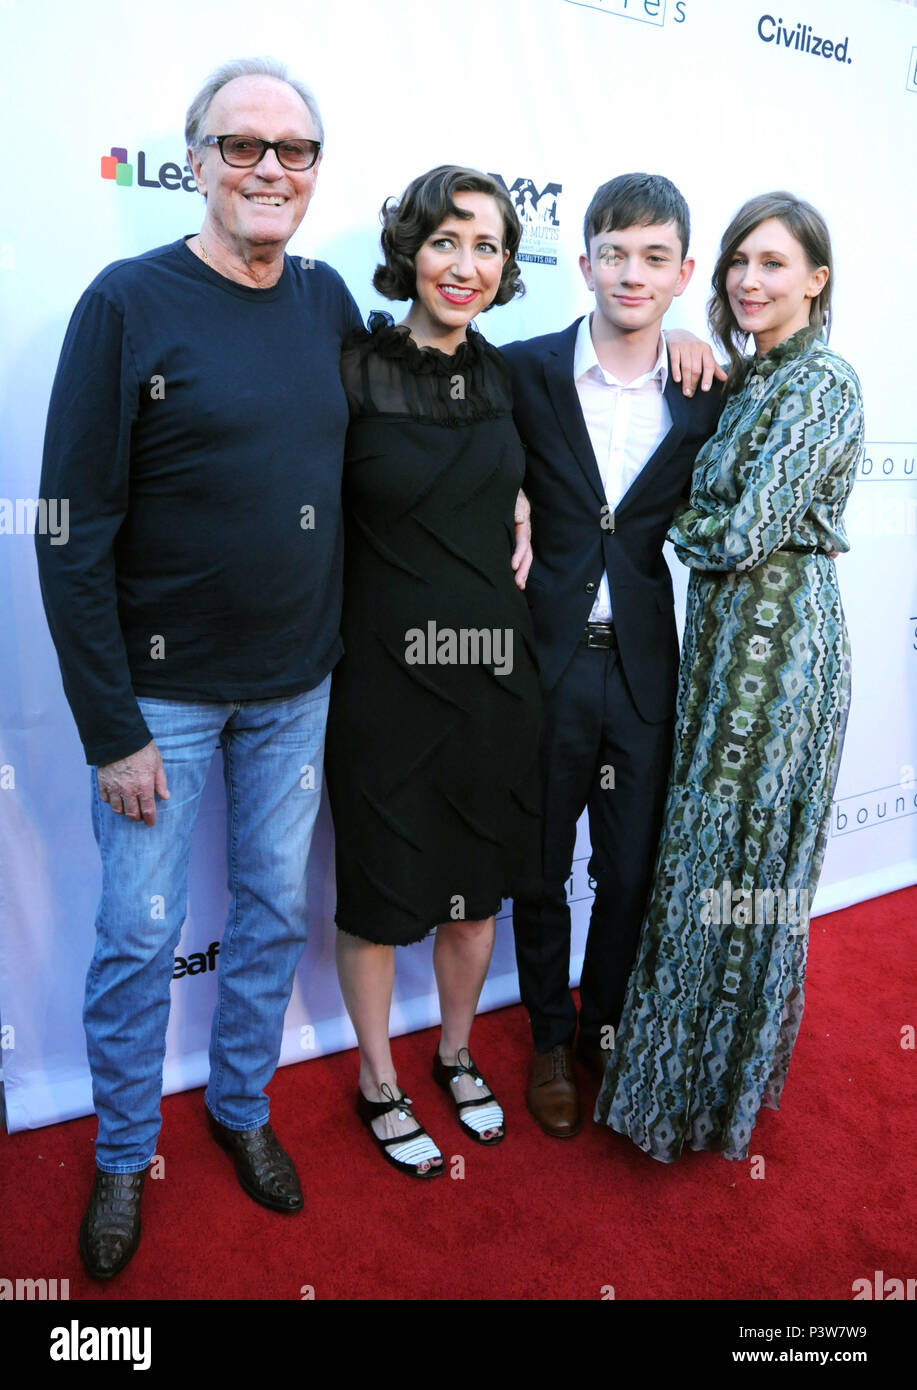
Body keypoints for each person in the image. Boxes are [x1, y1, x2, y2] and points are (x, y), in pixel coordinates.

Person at [35, 57, 363, 1279]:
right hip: (155, 707)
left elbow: (445, 374)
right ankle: (126, 1150)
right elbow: (69, 532)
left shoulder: (328, 301)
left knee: (275, 913)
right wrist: (108, 726)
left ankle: (238, 1107)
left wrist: (662, 338)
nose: (270, 169)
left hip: (299, 689)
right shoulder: (126, 303)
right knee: (138, 931)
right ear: (195, 158)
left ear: (315, 173)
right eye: (243, 146)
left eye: (293, 151)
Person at [595, 191, 864, 1162]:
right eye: (738, 263)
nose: (748, 281)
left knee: (738, 871)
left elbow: (742, 531)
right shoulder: (745, 379)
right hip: (716, 652)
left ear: (814, 281)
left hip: (781, 659)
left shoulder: (822, 385)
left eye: (773, 265)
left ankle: (708, 1099)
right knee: (703, 858)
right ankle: (675, 1087)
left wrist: (648, 522)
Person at [324, 166, 542, 1176]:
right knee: (377, 893)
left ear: (506, 267)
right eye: (447, 241)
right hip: (378, 682)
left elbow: (615, 376)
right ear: (411, 249)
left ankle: (454, 1052)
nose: (466, 265)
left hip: (493, 679)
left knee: (474, 893)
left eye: (488, 246)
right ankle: (377, 1077)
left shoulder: (514, 378)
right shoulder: (350, 367)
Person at [502, 173, 724, 1137]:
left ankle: (604, 1021)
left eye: (653, 257)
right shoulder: (521, 371)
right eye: (613, 252)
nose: (631, 273)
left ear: (683, 272)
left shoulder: (706, 388)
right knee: (540, 866)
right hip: (542, 660)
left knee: (628, 868)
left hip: (641, 667)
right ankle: (549, 1035)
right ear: (584, 259)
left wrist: (700, 346)